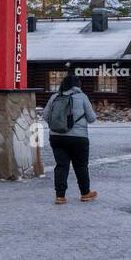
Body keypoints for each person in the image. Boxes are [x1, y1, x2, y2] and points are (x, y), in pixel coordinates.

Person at [42, 73, 97, 204]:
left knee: (61, 166)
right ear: (77, 85)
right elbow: (92, 118)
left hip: (56, 137)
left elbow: (45, 116)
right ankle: (85, 193)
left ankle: (60, 196)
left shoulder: (55, 97)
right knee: (81, 166)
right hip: (78, 138)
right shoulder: (82, 97)